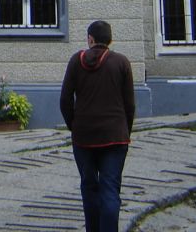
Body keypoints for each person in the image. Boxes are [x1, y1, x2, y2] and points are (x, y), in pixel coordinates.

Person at [59, 20, 136, 232]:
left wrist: (74, 126)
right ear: (110, 40)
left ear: (90, 39)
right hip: (115, 136)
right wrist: (125, 131)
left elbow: (65, 99)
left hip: (84, 137)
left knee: (89, 187)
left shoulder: (76, 61)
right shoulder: (121, 62)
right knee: (110, 188)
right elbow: (129, 104)